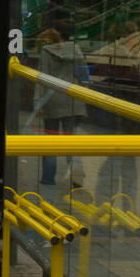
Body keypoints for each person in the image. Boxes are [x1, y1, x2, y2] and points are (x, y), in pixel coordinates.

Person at [35, 19, 89, 188]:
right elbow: (83, 74)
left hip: (51, 99)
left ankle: (48, 178)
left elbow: (42, 77)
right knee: (70, 139)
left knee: (50, 140)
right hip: (72, 98)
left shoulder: (46, 51)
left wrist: (38, 103)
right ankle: (77, 177)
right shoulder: (76, 49)